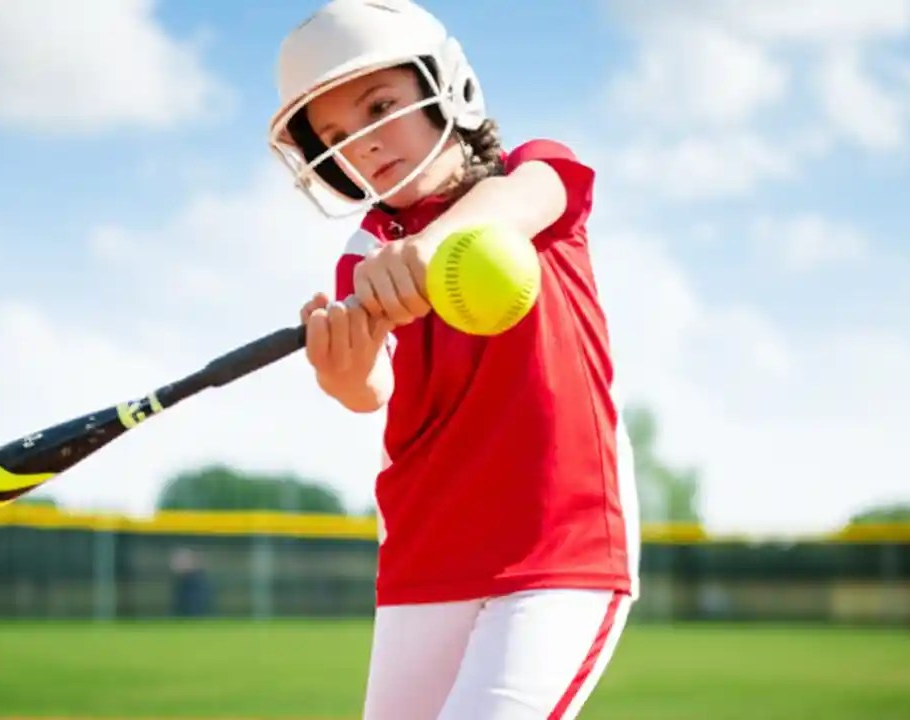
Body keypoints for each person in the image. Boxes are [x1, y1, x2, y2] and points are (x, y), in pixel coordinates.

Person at [266, 1, 641, 718]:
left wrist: (425, 253)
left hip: (558, 546)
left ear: (447, 87)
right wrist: (342, 369)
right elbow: (371, 387)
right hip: (426, 553)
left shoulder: (535, 171)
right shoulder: (363, 256)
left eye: (381, 105)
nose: (366, 144)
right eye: (339, 137)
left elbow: (511, 205)